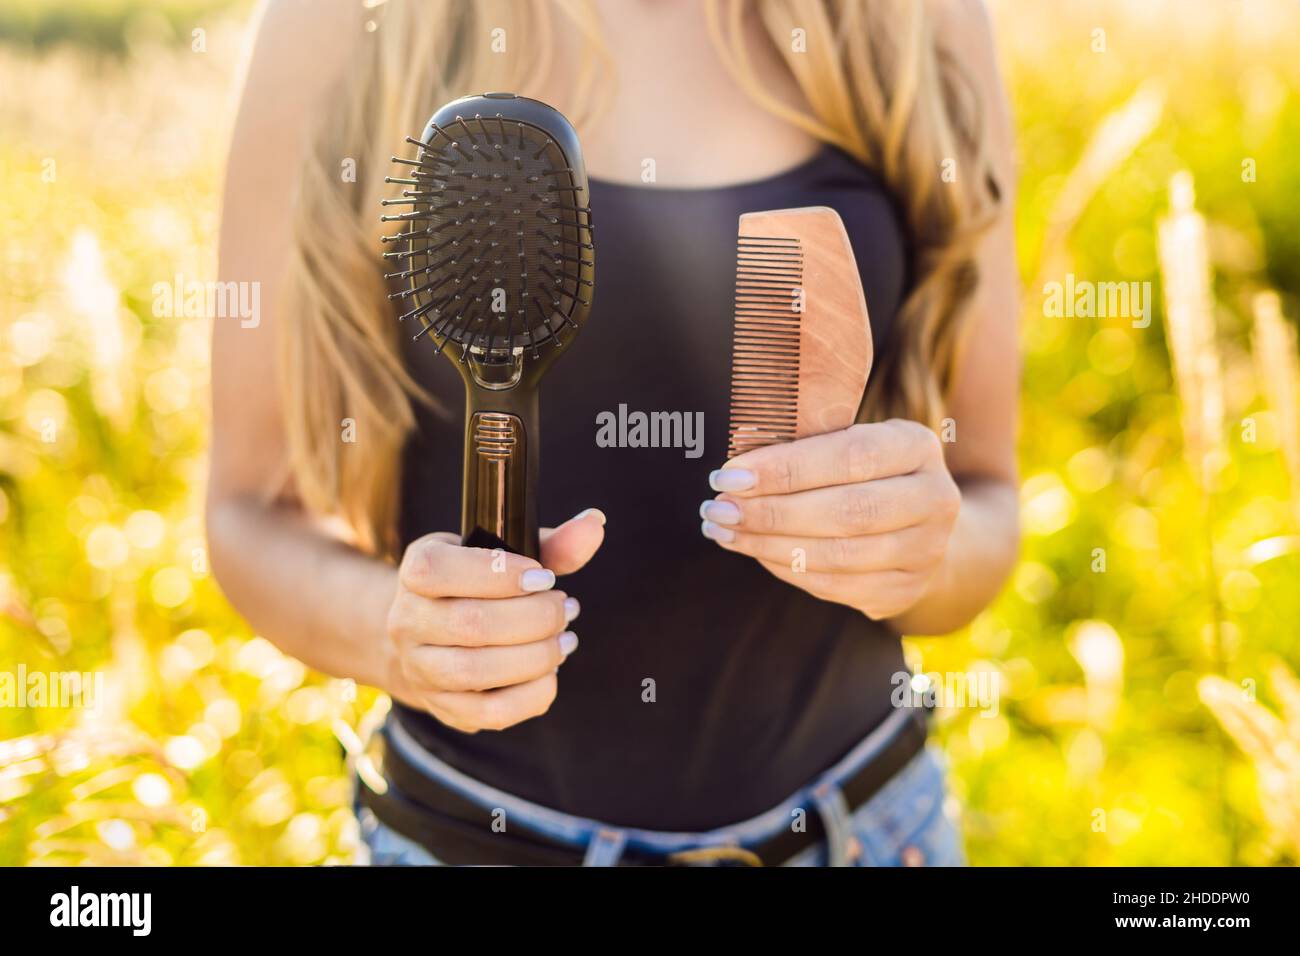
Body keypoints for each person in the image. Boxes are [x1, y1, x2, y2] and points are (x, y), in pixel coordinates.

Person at [209, 0, 1020, 866]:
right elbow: (248, 513)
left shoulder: (915, 18)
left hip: (870, 833)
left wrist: (917, 553)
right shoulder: (346, 20)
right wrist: (403, 637)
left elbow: (988, 501)